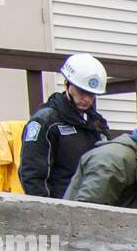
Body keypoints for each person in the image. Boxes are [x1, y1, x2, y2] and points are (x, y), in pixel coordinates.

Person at [18, 54, 111, 198]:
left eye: (92, 94)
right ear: (67, 84)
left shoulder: (97, 124)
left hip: (92, 206)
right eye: (81, 91)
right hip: (60, 207)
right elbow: (32, 174)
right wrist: (47, 210)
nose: (87, 99)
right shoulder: (45, 122)